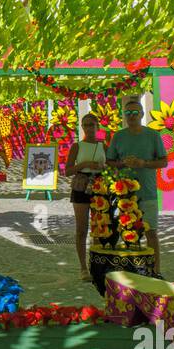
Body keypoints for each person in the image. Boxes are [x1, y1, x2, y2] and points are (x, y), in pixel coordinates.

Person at [106, 95, 169, 275]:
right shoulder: (118, 137)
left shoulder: (153, 135)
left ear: (141, 114)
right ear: (124, 116)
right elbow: (110, 161)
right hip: (126, 194)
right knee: (129, 232)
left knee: (151, 232)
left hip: (148, 192)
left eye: (135, 112)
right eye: (128, 112)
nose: (131, 115)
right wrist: (123, 163)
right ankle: (134, 269)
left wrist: (144, 163)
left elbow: (163, 162)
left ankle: (156, 270)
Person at [65, 112, 108, 283]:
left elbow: (112, 164)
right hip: (81, 186)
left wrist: (104, 168)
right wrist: (84, 165)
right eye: (86, 125)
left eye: (93, 124)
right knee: (81, 229)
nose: (90, 128)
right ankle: (83, 267)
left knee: (99, 229)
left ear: (97, 126)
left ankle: (96, 266)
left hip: (99, 186)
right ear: (82, 127)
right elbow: (67, 171)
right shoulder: (77, 146)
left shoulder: (103, 145)